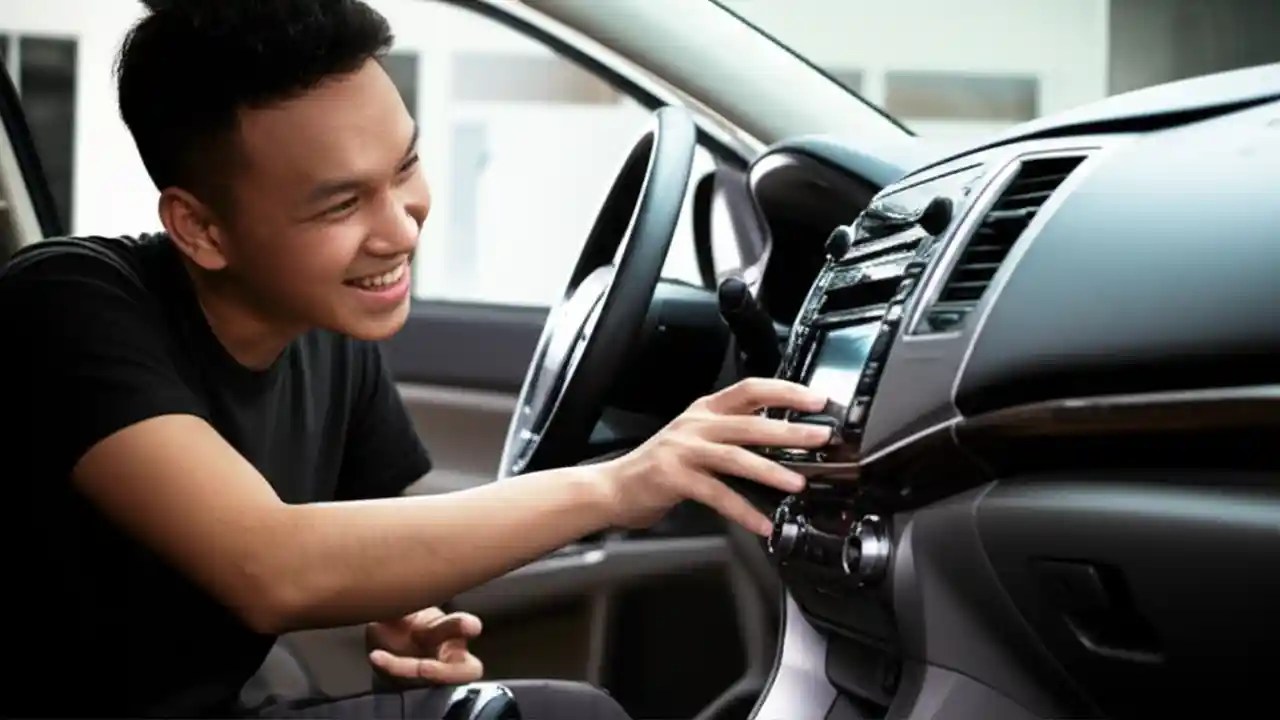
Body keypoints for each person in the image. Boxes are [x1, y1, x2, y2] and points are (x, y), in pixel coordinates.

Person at [0, 1, 831, 718]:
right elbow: (271, 564)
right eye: (341, 204)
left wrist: (410, 621)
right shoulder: (67, 305)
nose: (401, 227)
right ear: (201, 229)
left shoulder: (323, 328)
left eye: (405, 167)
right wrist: (618, 483)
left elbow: (376, 547)